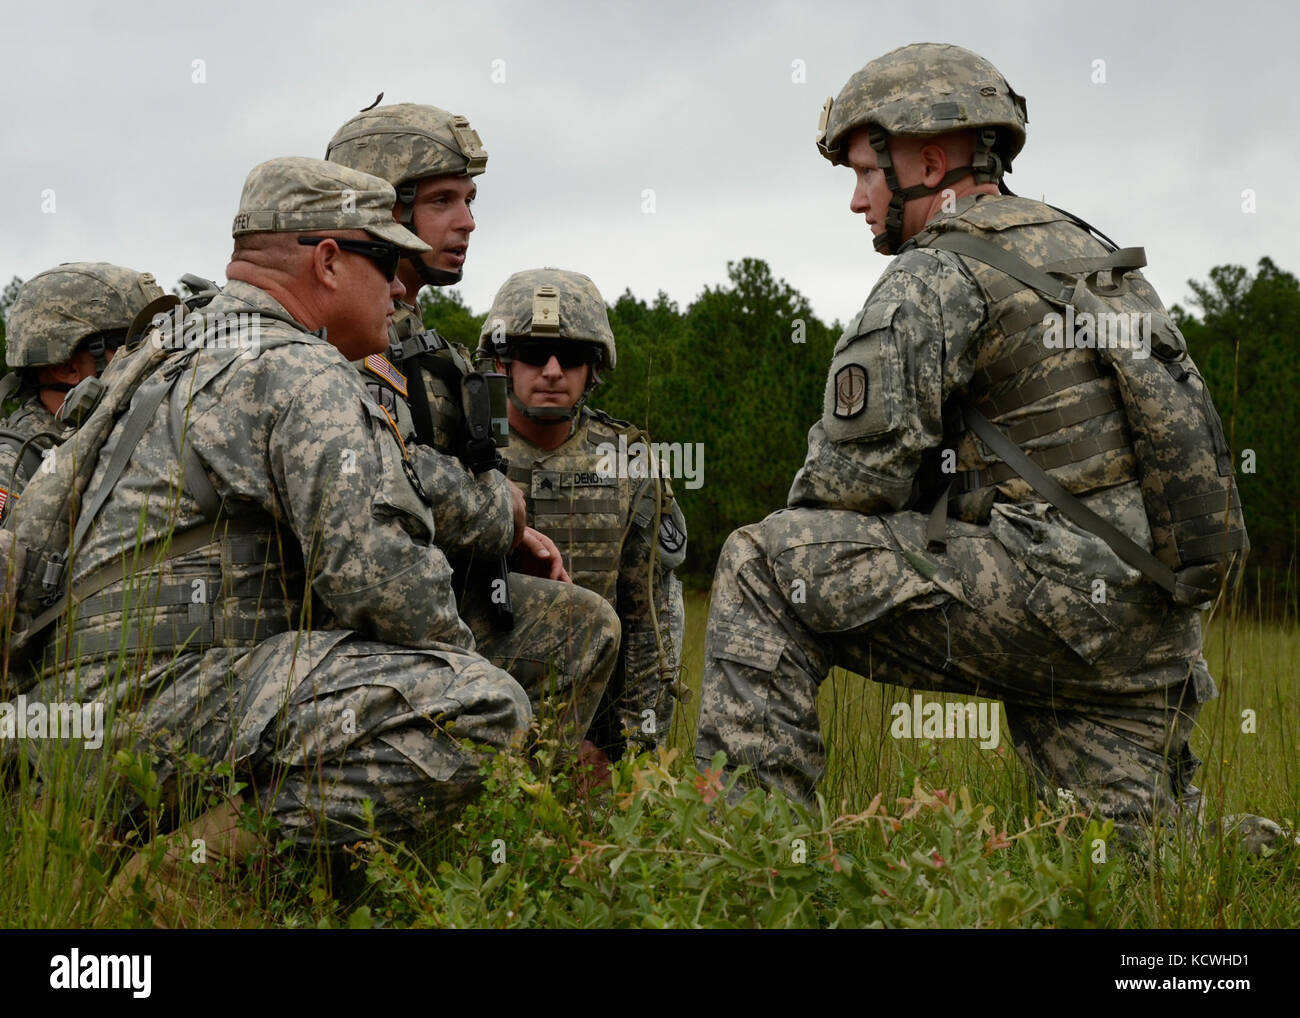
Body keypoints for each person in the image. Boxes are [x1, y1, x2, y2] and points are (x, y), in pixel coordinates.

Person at [693, 43, 1270, 848]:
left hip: (1056, 601)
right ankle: (1268, 856)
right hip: (1152, 622)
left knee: (763, 564)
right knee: (1145, 859)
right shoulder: (1088, 251)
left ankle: (748, 859)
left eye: (865, 172)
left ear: (929, 163)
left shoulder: (936, 271)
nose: (856, 201)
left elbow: (851, 478)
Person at [21, 156, 536, 860]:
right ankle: (183, 879)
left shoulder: (163, 350)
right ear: (327, 262)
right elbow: (385, 587)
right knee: (482, 708)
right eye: (386, 261)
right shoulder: (300, 369)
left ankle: (116, 839)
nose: (397, 287)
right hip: (150, 714)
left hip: (61, 721)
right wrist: (469, 664)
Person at [325, 104, 619, 753]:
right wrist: (501, 515)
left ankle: (521, 805)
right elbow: (382, 479)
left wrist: (507, 536)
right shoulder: (341, 334)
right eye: (442, 201)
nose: (467, 221)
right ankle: (495, 802)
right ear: (382, 208)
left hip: (422, 592)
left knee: (581, 624)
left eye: (469, 200)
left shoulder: (415, 339)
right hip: (357, 616)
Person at [478, 268, 687, 762]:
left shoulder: (629, 463)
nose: (552, 371)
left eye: (570, 356)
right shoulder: (461, 454)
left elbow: (650, 624)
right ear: (503, 362)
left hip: (592, 727)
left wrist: (629, 756)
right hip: (476, 710)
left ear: (593, 368)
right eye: (533, 354)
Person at [0, 263, 165, 524]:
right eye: (134, 344)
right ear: (68, 368)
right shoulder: (13, 470)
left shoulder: (126, 436)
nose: (150, 355)